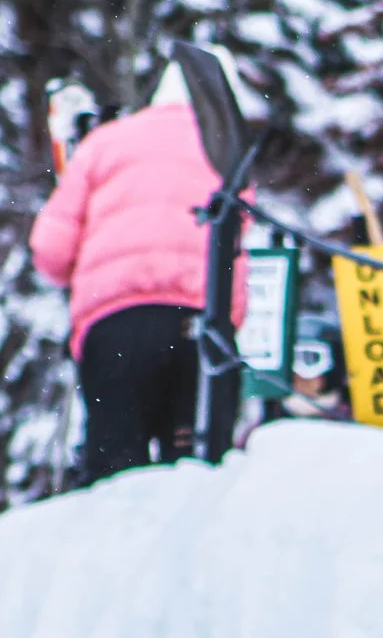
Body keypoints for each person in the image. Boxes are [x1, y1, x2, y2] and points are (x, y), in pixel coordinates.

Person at [29, 49, 255, 486]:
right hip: (200, 327)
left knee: (113, 471)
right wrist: (229, 324)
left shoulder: (105, 143)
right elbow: (234, 252)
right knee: (197, 476)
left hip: (116, 325)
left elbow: (50, 250)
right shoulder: (229, 156)